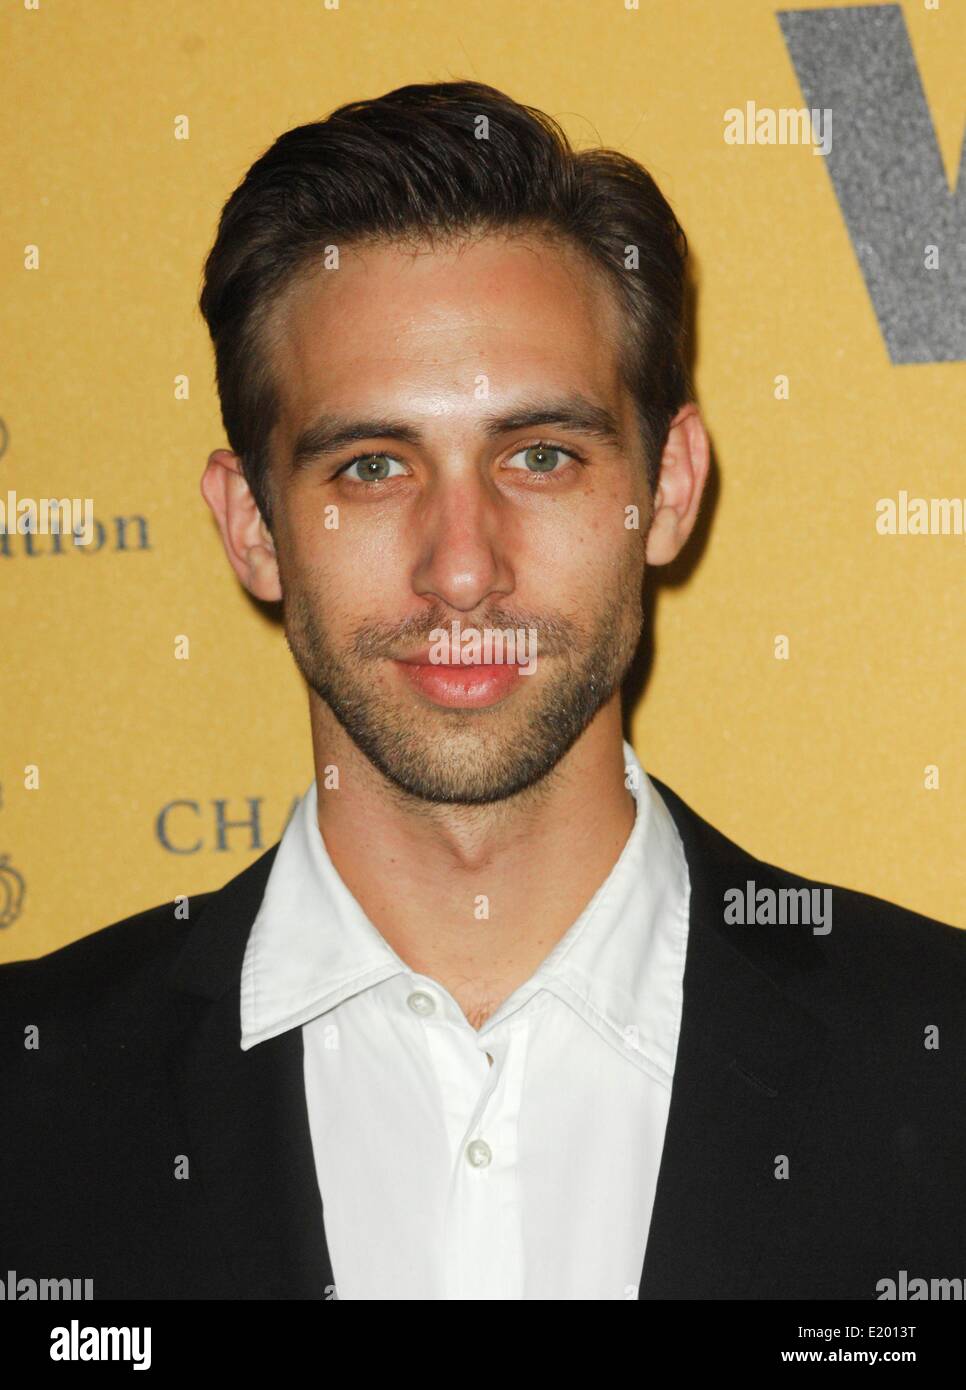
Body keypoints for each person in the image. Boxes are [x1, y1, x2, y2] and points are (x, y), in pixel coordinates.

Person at [1, 80, 963, 1302]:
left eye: (542, 457)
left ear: (666, 489)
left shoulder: (941, 1066)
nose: (461, 565)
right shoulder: (32, 1098)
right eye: (372, 464)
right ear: (251, 526)